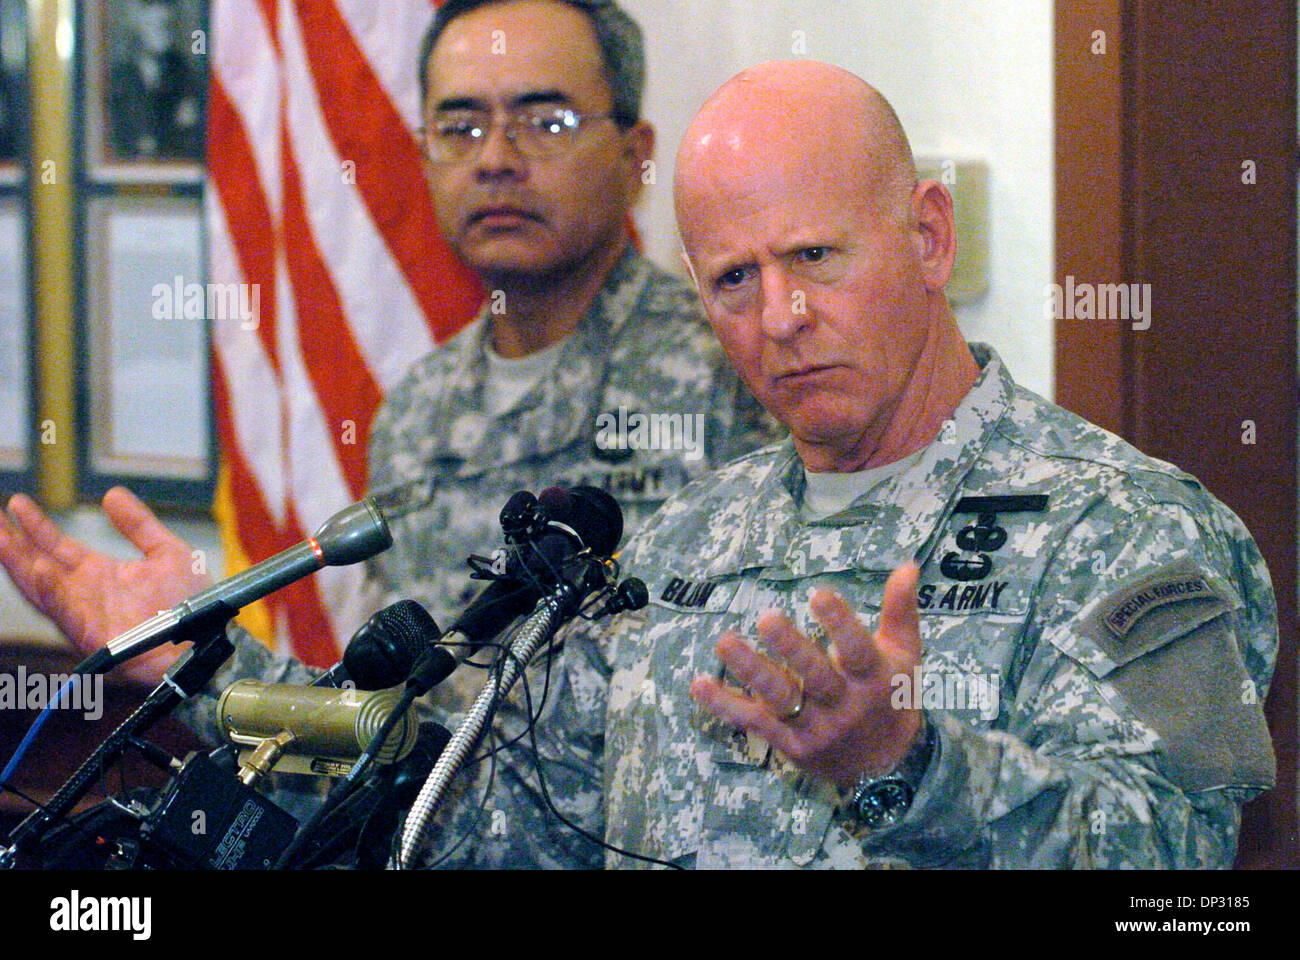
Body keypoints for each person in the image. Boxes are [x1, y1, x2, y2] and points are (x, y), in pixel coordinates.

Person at [0, 0, 775, 868]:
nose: (496, 159)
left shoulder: (740, 376)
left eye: (544, 121)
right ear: (425, 152)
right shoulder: (418, 410)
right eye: (460, 126)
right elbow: (384, 745)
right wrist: (192, 658)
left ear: (635, 155)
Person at [543, 59, 1274, 869]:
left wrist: (912, 769)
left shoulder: (1129, 527)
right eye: (735, 279)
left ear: (929, 237)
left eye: (815, 255)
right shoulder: (676, 542)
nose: (780, 317)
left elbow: (1175, 860)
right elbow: (530, 825)